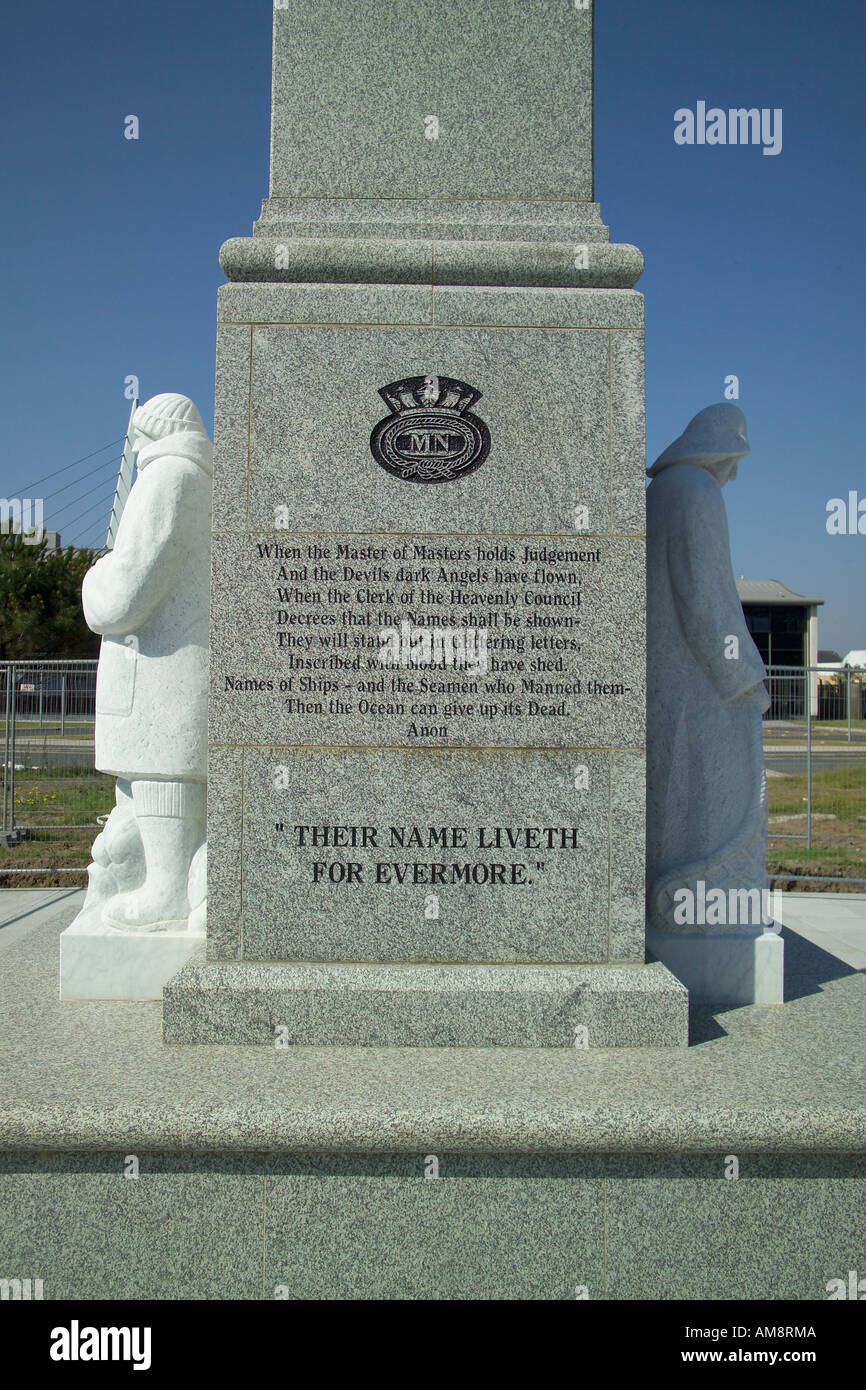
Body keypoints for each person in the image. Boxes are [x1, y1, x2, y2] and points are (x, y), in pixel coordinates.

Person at [82, 393, 212, 929]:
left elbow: (128, 588)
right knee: (159, 777)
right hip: (178, 659)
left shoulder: (167, 478)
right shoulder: (203, 480)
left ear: (150, 433)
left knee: (160, 771)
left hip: (160, 662)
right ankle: (164, 882)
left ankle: (163, 894)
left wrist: (93, 578)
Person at [646, 403, 770, 934]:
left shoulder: (661, 493)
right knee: (710, 799)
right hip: (703, 683)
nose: (735, 471)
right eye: (734, 457)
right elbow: (707, 598)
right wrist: (743, 677)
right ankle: (704, 915)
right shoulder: (698, 492)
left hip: (668, 679)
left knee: (678, 794)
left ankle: (675, 904)